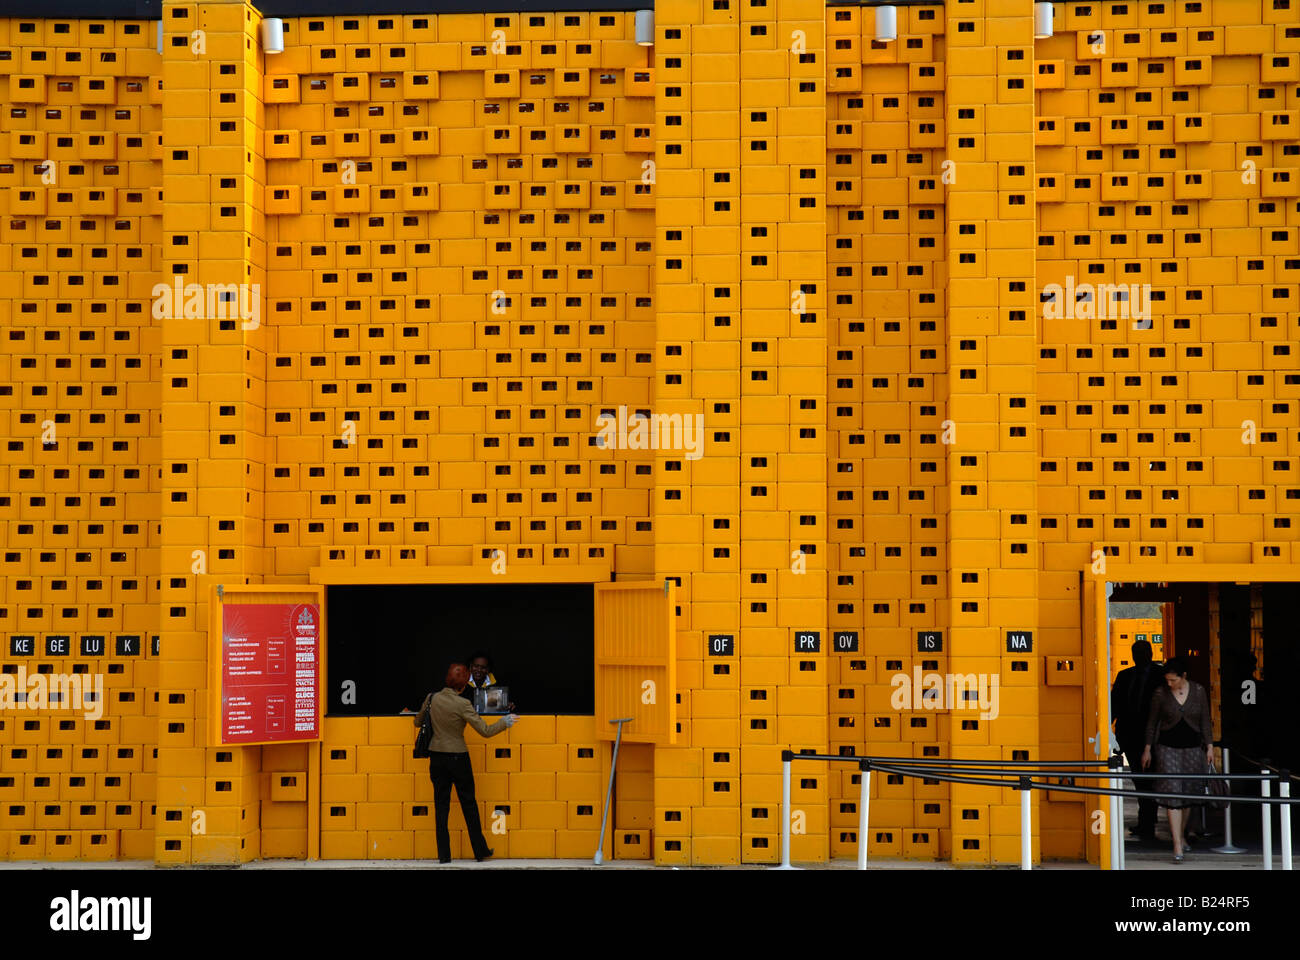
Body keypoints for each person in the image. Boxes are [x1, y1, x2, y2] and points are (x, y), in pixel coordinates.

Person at [414, 663, 519, 863]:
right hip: (458, 758)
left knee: (441, 807)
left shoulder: (431, 698)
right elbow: (485, 731)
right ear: (463, 685)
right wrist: (505, 722)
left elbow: (417, 722)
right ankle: (480, 852)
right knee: (469, 805)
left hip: (436, 758)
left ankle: (444, 856)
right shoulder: (463, 704)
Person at [1141, 656, 1213, 863]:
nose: (1170, 684)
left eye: (1174, 680)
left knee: (1187, 794)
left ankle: (1181, 836)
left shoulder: (1198, 692)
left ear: (1184, 676)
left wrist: (1209, 747)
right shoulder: (1160, 693)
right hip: (1166, 748)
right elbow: (1152, 722)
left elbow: (1205, 721)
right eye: (1167, 680)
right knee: (1172, 794)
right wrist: (1147, 748)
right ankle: (1176, 845)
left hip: (1192, 748)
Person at [1111, 639, 1163, 842]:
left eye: (1143, 652)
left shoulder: (1160, 676)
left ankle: (1148, 822)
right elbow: (1114, 704)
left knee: (1150, 780)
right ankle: (1146, 822)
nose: (1139, 656)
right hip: (1130, 737)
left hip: (1154, 737)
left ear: (1150, 653)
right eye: (1136, 652)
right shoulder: (1125, 676)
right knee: (1140, 780)